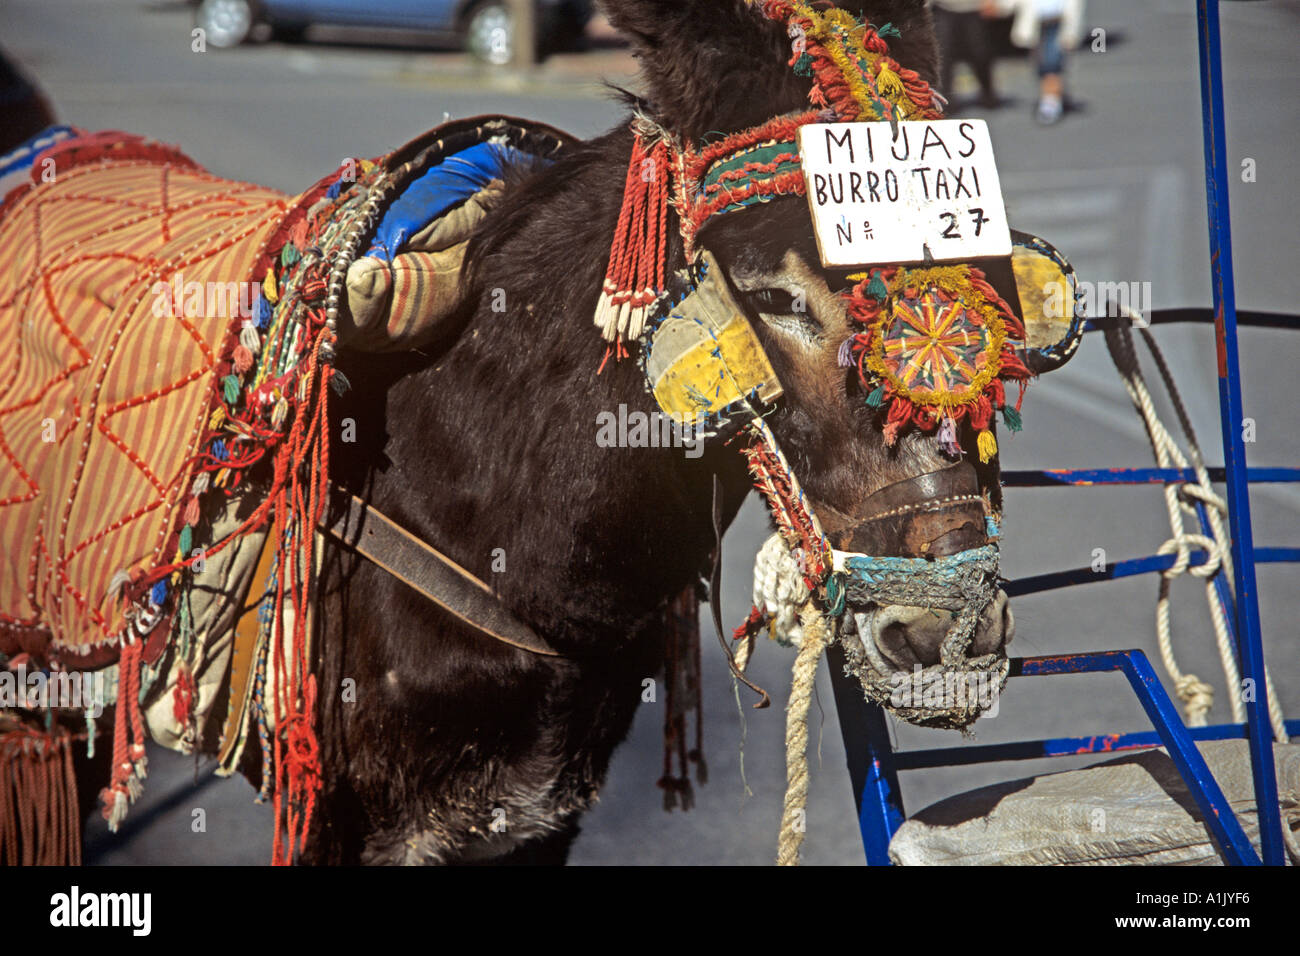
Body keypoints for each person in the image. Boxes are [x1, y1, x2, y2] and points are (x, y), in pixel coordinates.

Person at [1003, 0, 1086, 125]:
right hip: (1035, 24)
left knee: (1051, 63)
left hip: (1058, 23)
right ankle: (1054, 96)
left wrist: (1072, 32)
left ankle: (1050, 102)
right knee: (1041, 65)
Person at [932, 0, 1003, 111]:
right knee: (943, 55)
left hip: (974, 8)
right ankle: (945, 100)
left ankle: (988, 94)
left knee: (980, 54)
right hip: (943, 8)